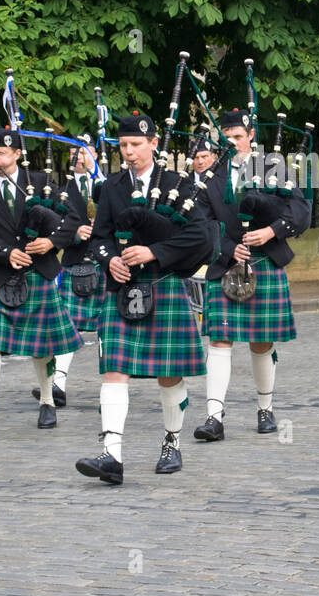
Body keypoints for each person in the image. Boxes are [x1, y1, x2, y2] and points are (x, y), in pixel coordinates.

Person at [74, 112, 217, 484]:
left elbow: (201, 237)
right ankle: (112, 455)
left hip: (163, 282)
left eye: (136, 145)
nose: (129, 152)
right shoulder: (110, 187)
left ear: (154, 144)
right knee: (114, 369)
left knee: (168, 375)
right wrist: (110, 260)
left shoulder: (179, 184)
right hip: (122, 288)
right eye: (123, 146)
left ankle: (171, 442)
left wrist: (154, 252)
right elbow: (99, 237)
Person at [192, 109, 311, 441]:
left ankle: (265, 408)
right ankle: (214, 417)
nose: (232, 143)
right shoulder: (210, 178)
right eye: (225, 139)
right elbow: (201, 224)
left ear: (251, 137)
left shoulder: (273, 168)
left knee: (261, 341)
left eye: (237, 138)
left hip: (265, 262)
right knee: (219, 339)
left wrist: (271, 232)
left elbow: (300, 211)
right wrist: (229, 249)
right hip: (226, 265)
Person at [0, 127, 83, 439]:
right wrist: (7, 253)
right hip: (0, 274)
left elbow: (71, 218)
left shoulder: (41, 183)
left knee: (42, 346)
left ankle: (47, 402)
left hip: (38, 271)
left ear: (17, 154)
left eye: (2, 153)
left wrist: (49, 242)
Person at [33, 137, 103, 408]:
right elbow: (51, 226)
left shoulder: (109, 187)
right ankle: (57, 384)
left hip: (107, 264)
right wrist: (74, 233)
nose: (78, 156)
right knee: (66, 325)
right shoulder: (60, 191)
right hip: (75, 262)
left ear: (94, 153)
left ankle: (109, 386)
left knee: (107, 328)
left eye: (84, 151)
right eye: (73, 151)